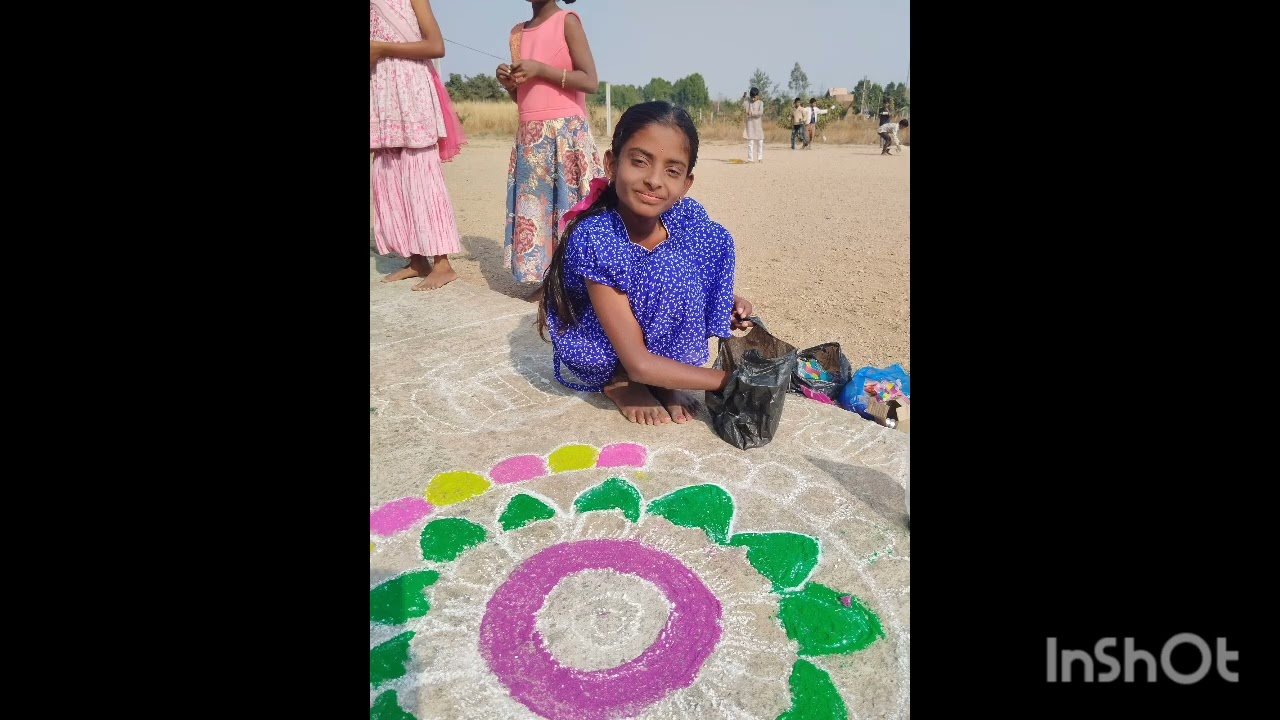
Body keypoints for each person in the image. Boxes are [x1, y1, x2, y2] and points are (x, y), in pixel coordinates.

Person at [536, 102, 755, 426]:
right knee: (666, 276)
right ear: (612, 164)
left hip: (646, 331)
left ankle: (662, 377)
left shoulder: (686, 218)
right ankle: (621, 380)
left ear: (686, 184)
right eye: (640, 162)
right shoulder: (597, 237)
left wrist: (722, 301)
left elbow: (692, 276)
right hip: (606, 346)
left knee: (698, 252)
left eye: (672, 171)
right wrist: (729, 380)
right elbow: (639, 361)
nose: (654, 180)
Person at [496, 0, 606, 303]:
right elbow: (524, 96)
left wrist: (541, 70)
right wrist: (509, 85)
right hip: (532, 138)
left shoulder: (567, 21)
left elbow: (590, 80)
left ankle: (578, 282)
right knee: (541, 213)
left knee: (570, 208)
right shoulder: (517, 34)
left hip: (565, 134)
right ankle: (550, 282)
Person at [370, 0, 467, 290]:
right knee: (389, 173)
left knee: (421, 173)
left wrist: (382, 49)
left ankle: (442, 263)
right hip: (380, 90)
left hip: (411, 88)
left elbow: (436, 45)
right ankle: (416, 260)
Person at [743, 88, 765, 162]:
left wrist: (752, 113)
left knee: (760, 142)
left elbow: (760, 112)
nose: (753, 99)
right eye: (752, 97)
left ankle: (760, 158)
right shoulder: (748, 102)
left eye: (754, 97)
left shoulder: (760, 103)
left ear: (758, 96)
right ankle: (750, 159)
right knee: (750, 143)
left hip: (758, 125)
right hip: (750, 125)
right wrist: (744, 97)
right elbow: (744, 107)